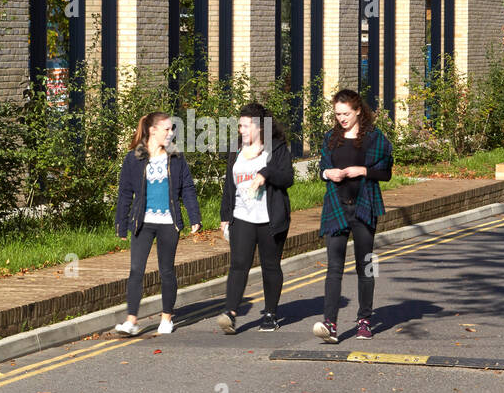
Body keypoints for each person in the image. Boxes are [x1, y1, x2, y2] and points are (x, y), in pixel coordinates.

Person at [313, 88, 394, 342]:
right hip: (336, 207)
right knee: (333, 267)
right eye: (338, 114)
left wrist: (362, 170)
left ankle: (364, 320)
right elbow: (321, 168)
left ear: (358, 110)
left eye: (346, 113)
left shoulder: (374, 138)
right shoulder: (330, 138)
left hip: (364, 206)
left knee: (366, 266)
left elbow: (386, 172)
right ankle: (330, 324)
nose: (342, 118)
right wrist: (329, 174)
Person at [114, 112, 201, 335]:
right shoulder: (133, 158)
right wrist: (121, 224)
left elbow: (188, 188)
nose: (171, 133)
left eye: (172, 129)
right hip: (142, 222)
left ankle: (166, 318)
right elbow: (124, 193)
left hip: (168, 222)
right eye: (166, 129)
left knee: (167, 271)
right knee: (136, 270)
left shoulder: (176, 157)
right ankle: (132, 321)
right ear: (152, 130)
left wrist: (194, 217)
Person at [215, 102, 294, 333]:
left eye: (247, 126)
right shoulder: (236, 149)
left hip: (270, 217)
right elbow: (229, 185)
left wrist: (266, 173)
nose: (242, 130)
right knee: (239, 265)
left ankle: (270, 314)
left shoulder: (276, 148)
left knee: (270, 266)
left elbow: (287, 178)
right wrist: (225, 215)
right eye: (240, 126)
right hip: (242, 215)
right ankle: (230, 313)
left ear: (260, 127)